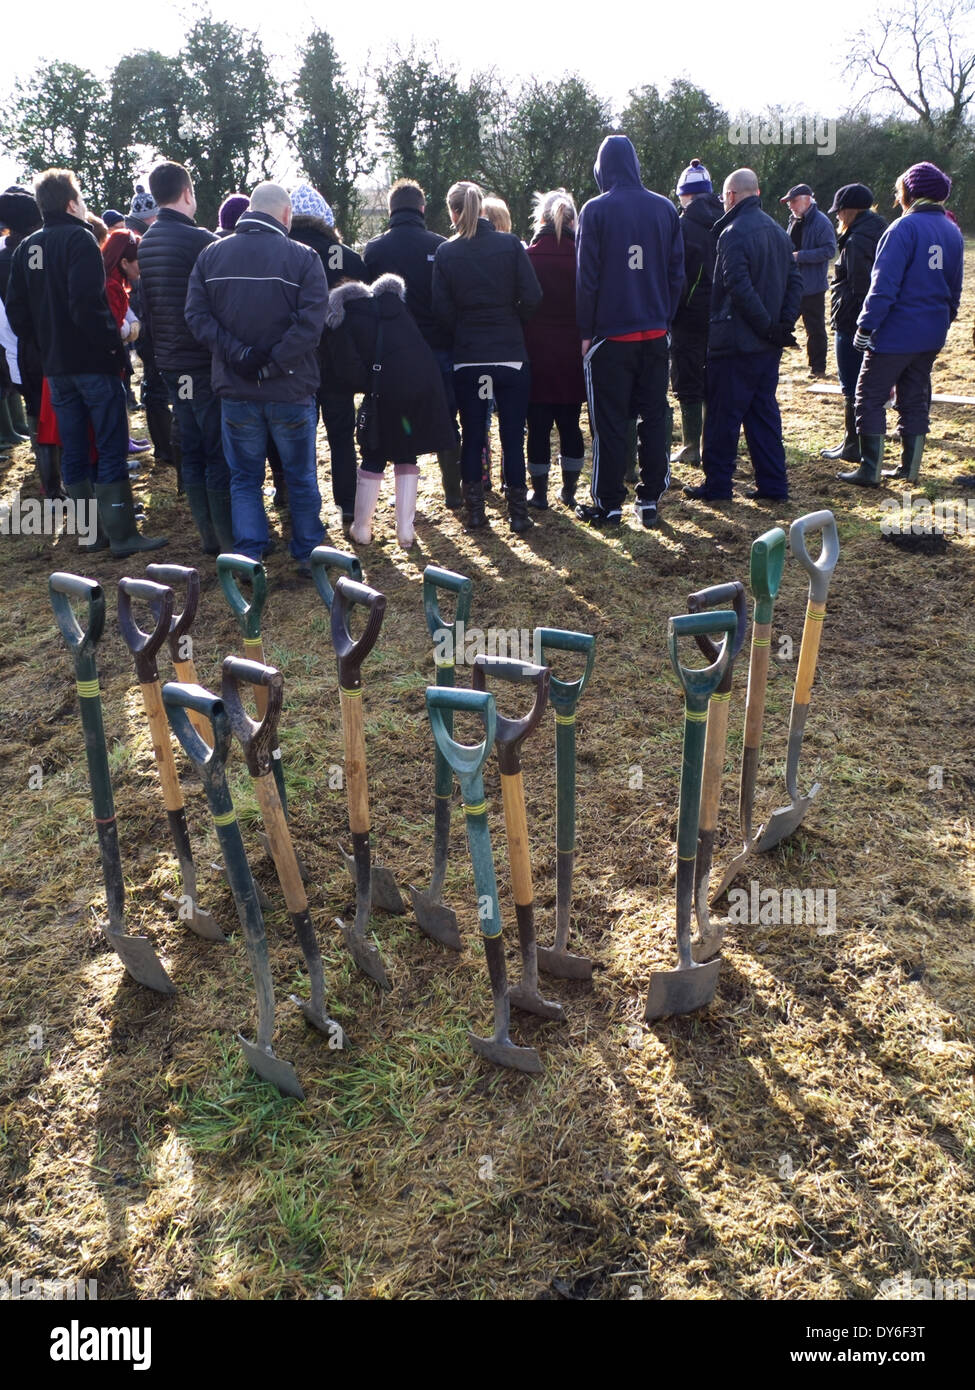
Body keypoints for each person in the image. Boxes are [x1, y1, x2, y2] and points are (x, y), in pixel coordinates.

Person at [5, 168, 167, 555]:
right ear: (72, 202)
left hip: (56, 367)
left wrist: (45, 342)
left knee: (75, 449)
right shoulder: (80, 239)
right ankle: (123, 535)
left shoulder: (28, 246)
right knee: (110, 446)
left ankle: (90, 533)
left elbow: (16, 311)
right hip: (92, 362)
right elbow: (86, 303)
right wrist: (112, 346)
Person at [185, 183, 329, 575]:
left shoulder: (210, 256)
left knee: (244, 478)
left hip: (237, 388)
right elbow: (312, 325)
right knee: (300, 476)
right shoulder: (304, 257)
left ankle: (249, 553)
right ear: (285, 215)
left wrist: (242, 356)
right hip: (290, 388)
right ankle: (307, 551)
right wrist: (271, 363)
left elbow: (197, 318)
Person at [575, 133, 684, 528]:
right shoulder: (665, 208)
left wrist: (585, 331)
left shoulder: (595, 210)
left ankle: (608, 504)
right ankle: (651, 498)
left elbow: (587, 278)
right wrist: (664, 318)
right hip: (654, 331)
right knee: (654, 416)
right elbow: (677, 273)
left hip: (610, 334)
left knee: (608, 422)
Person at [839, 161, 964, 487]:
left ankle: (869, 469)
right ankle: (909, 469)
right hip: (931, 333)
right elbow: (955, 289)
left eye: (899, 190)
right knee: (913, 397)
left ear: (910, 192)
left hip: (896, 333)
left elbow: (883, 287)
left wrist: (865, 327)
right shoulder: (952, 230)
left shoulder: (902, 229)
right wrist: (942, 322)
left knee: (868, 395)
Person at [684, 168, 802, 503]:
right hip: (767, 346)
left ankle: (718, 485)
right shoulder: (780, 232)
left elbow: (737, 285)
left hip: (735, 343)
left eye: (724, 198)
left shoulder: (731, 233)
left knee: (722, 418)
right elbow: (796, 281)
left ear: (731, 196)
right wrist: (782, 324)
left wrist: (767, 325)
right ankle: (773, 485)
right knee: (762, 415)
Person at [432, 181, 542, 532]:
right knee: (513, 435)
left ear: (453, 212)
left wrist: (463, 328)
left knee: (474, 434)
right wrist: (513, 320)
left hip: (469, 357)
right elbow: (533, 295)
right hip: (509, 355)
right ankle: (518, 514)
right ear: (482, 209)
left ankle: (476, 513)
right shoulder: (510, 245)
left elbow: (441, 309)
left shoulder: (447, 253)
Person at [138, 159, 233, 552]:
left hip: (170, 362)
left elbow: (149, 307)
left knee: (191, 446)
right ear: (188, 193)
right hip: (200, 359)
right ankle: (226, 538)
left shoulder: (147, 241)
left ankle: (207, 534)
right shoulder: (200, 241)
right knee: (214, 449)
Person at [324, 273, 455, 546]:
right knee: (406, 453)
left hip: (385, 390)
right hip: (422, 384)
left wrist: (368, 385)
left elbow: (347, 368)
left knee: (374, 451)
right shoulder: (397, 309)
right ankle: (406, 533)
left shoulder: (346, 318)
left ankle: (361, 529)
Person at [363, 178, 461, 509]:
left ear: (391, 210)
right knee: (447, 417)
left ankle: (401, 503)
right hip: (437, 347)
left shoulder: (374, 250)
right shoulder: (441, 246)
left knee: (393, 419)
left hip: (392, 352)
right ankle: (454, 492)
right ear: (422, 208)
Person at [287, 183, 367, 527]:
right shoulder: (346, 258)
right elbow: (365, 314)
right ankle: (348, 502)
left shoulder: (281, 254)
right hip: (339, 361)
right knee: (340, 435)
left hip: (292, 360)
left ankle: (291, 499)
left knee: (294, 437)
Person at [523, 188, 587, 509]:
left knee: (537, 426)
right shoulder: (583, 258)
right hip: (574, 354)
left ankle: (539, 493)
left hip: (536, 355)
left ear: (541, 219)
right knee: (570, 424)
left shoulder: (529, 258)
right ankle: (570, 490)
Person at [820, 184, 886, 464]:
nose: (838, 217)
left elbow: (860, 287)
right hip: (865, 321)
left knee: (851, 384)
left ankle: (853, 445)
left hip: (851, 323)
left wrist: (856, 322)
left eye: (839, 212)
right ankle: (851, 441)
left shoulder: (857, 240)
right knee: (860, 384)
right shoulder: (879, 230)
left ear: (850, 210)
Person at [670, 159, 723, 465]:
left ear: (685, 195)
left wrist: (672, 311)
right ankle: (711, 439)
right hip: (724, 312)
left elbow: (676, 273)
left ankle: (692, 446)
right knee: (716, 376)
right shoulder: (729, 218)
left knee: (687, 376)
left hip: (688, 314)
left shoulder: (682, 225)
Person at [780, 183, 836, 378]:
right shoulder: (793, 220)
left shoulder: (822, 222)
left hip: (812, 287)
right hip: (792, 285)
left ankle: (818, 369)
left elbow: (829, 250)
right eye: (788, 203)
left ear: (807, 199)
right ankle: (774, 359)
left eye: (793, 201)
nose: (790, 206)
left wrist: (800, 256)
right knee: (781, 321)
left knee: (815, 330)